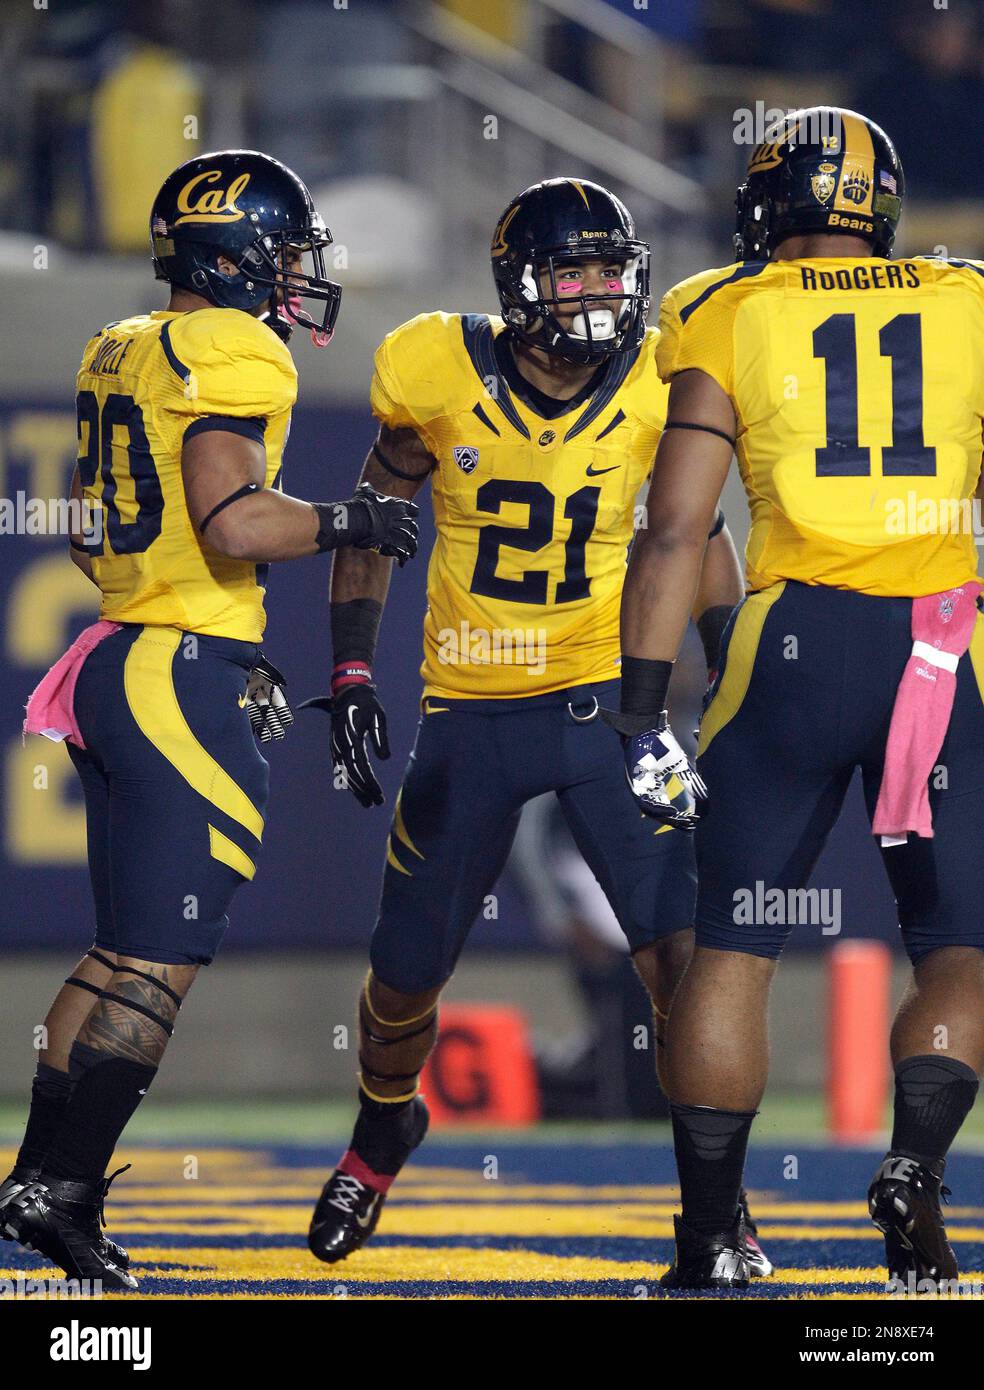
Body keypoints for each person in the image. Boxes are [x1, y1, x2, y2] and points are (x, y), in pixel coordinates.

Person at [301, 177, 767, 1274]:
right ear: (519, 286)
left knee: (682, 962)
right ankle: (382, 1128)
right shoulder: (435, 367)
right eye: (576, 275)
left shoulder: (661, 377)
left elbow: (696, 536)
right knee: (406, 970)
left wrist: (741, 672)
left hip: (611, 702)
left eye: (615, 271)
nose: (602, 297)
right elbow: (379, 516)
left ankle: (720, 1210)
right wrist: (355, 663)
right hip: (472, 706)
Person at [0, 149, 418, 1292]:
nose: (294, 279)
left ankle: (43, 1182)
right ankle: (65, 1187)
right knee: (160, 957)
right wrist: (350, 518)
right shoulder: (237, 348)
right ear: (230, 258)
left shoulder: (120, 341)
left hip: (117, 654)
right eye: (283, 256)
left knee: (116, 950)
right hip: (176, 669)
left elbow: (94, 533)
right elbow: (233, 520)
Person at [613, 106, 984, 1289]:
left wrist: (636, 709)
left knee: (732, 947)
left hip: (792, 643)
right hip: (944, 648)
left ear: (768, 205)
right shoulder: (970, 297)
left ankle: (713, 1235)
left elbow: (676, 530)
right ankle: (914, 1165)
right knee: (963, 954)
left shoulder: (723, 308)